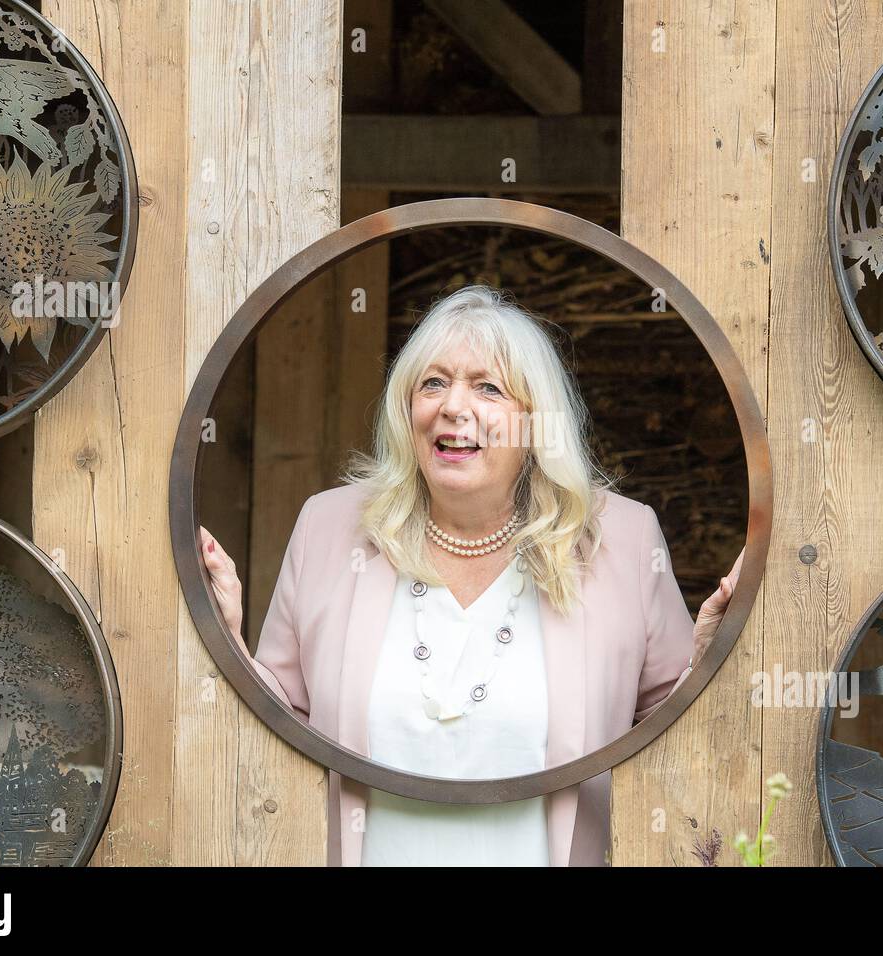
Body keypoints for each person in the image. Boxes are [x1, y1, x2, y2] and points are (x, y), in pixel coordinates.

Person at [200, 285, 743, 866]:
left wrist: (707, 667)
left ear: (536, 423)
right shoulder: (330, 527)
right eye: (433, 383)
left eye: (488, 388)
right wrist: (223, 641)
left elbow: (671, 739)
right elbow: (283, 720)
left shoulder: (622, 541)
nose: (453, 407)